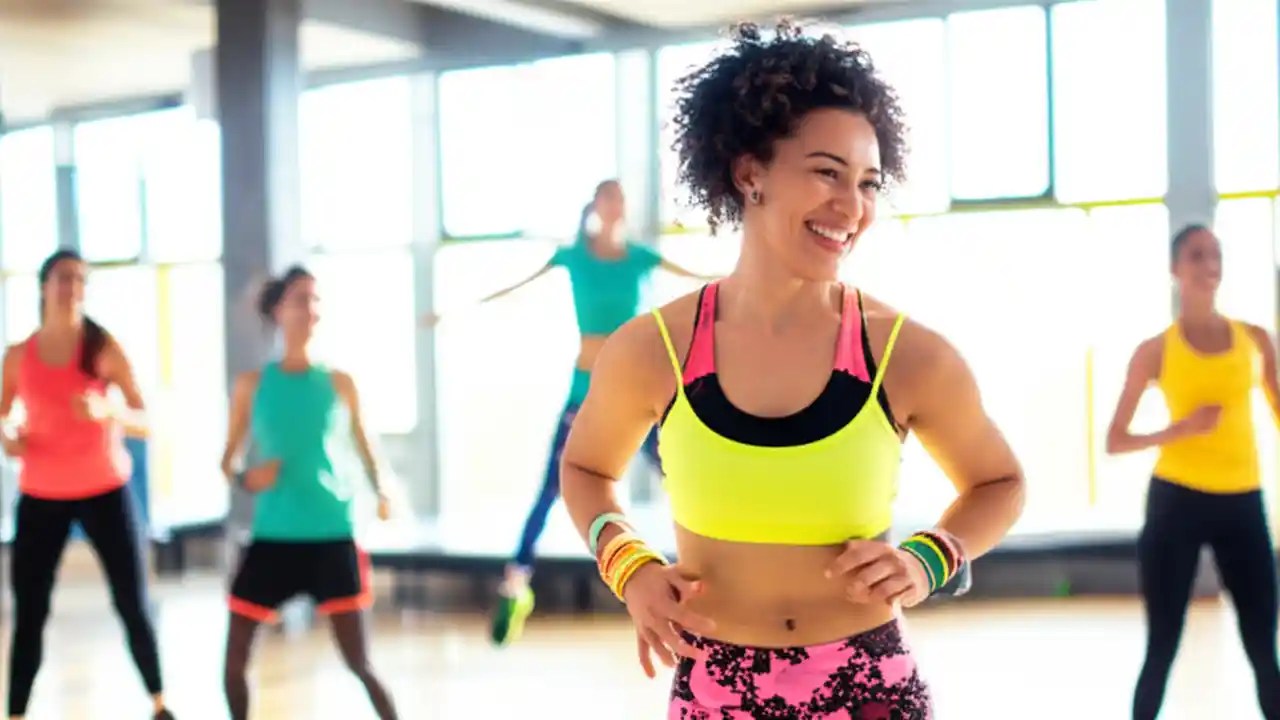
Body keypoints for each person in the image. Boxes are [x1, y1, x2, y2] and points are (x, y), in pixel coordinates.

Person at [559, 20, 1026, 718]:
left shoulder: (907, 354)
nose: (852, 207)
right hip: (715, 688)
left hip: (871, 687)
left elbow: (1000, 482)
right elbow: (586, 470)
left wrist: (930, 558)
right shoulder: (653, 348)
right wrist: (630, 568)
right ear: (750, 174)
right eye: (826, 173)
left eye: (868, 183)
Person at [428, 179, 710, 646]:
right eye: (609, 198)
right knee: (553, 485)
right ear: (597, 206)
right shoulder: (572, 257)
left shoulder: (641, 258)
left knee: (684, 479)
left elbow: (705, 284)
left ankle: (714, 571)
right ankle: (516, 584)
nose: (616, 206)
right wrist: (452, 312)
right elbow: (514, 288)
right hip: (587, 392)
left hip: (641, 396)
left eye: (622, 199)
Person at [1106, 224, 1280, 720]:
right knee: (1161, 647)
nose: (1210, 265)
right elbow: (1115, 440)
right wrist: (1179, 430)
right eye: (1198, 255)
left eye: (1217, 255)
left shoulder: (1256, 340)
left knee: (1264, 651)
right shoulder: (1155, 350)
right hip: (1176, 503)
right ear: (1175, 269)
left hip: (1243, 502)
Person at [2, 249, 175, 720]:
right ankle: (15, 712)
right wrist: (8, 439)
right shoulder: (19, 355)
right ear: (43, 286)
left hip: (104, 491)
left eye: (80, 280)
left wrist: (109, 411)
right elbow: (2, 417)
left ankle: (159, 703)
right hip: (40, 496)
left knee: (132, 602)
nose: (71, 287)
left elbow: (145, 420)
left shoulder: (102, 348)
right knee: (30, 611)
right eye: (63, 278)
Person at [219, 266, 398, 720]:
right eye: (300, 298)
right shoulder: (252, 385)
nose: (310, 309)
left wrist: (382, 491)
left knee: (360, 663)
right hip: (273, 535)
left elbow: (364, 445)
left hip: (330, 532)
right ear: (278, 310)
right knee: (234, 660)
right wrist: (245, 478)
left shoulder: (339, 382)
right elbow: (228, 461)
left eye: (316, 300)